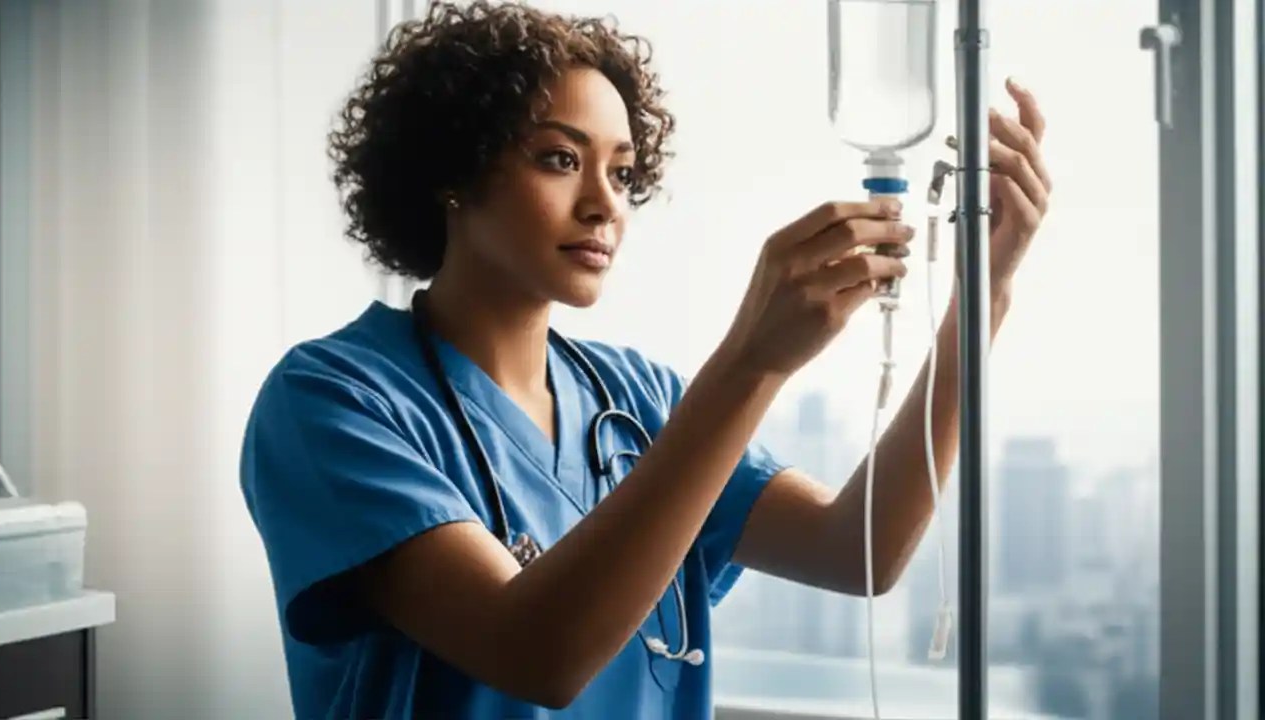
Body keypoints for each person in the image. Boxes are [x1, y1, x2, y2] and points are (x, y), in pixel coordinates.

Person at [238, 1, 1052, 718]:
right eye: (559, 159)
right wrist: (751, 363)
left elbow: (858, 549)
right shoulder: (331, 401)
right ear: (453, 169)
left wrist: (983, 302)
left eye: (623, 172)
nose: (604, 204)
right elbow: (536, 656)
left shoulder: (637, 397)